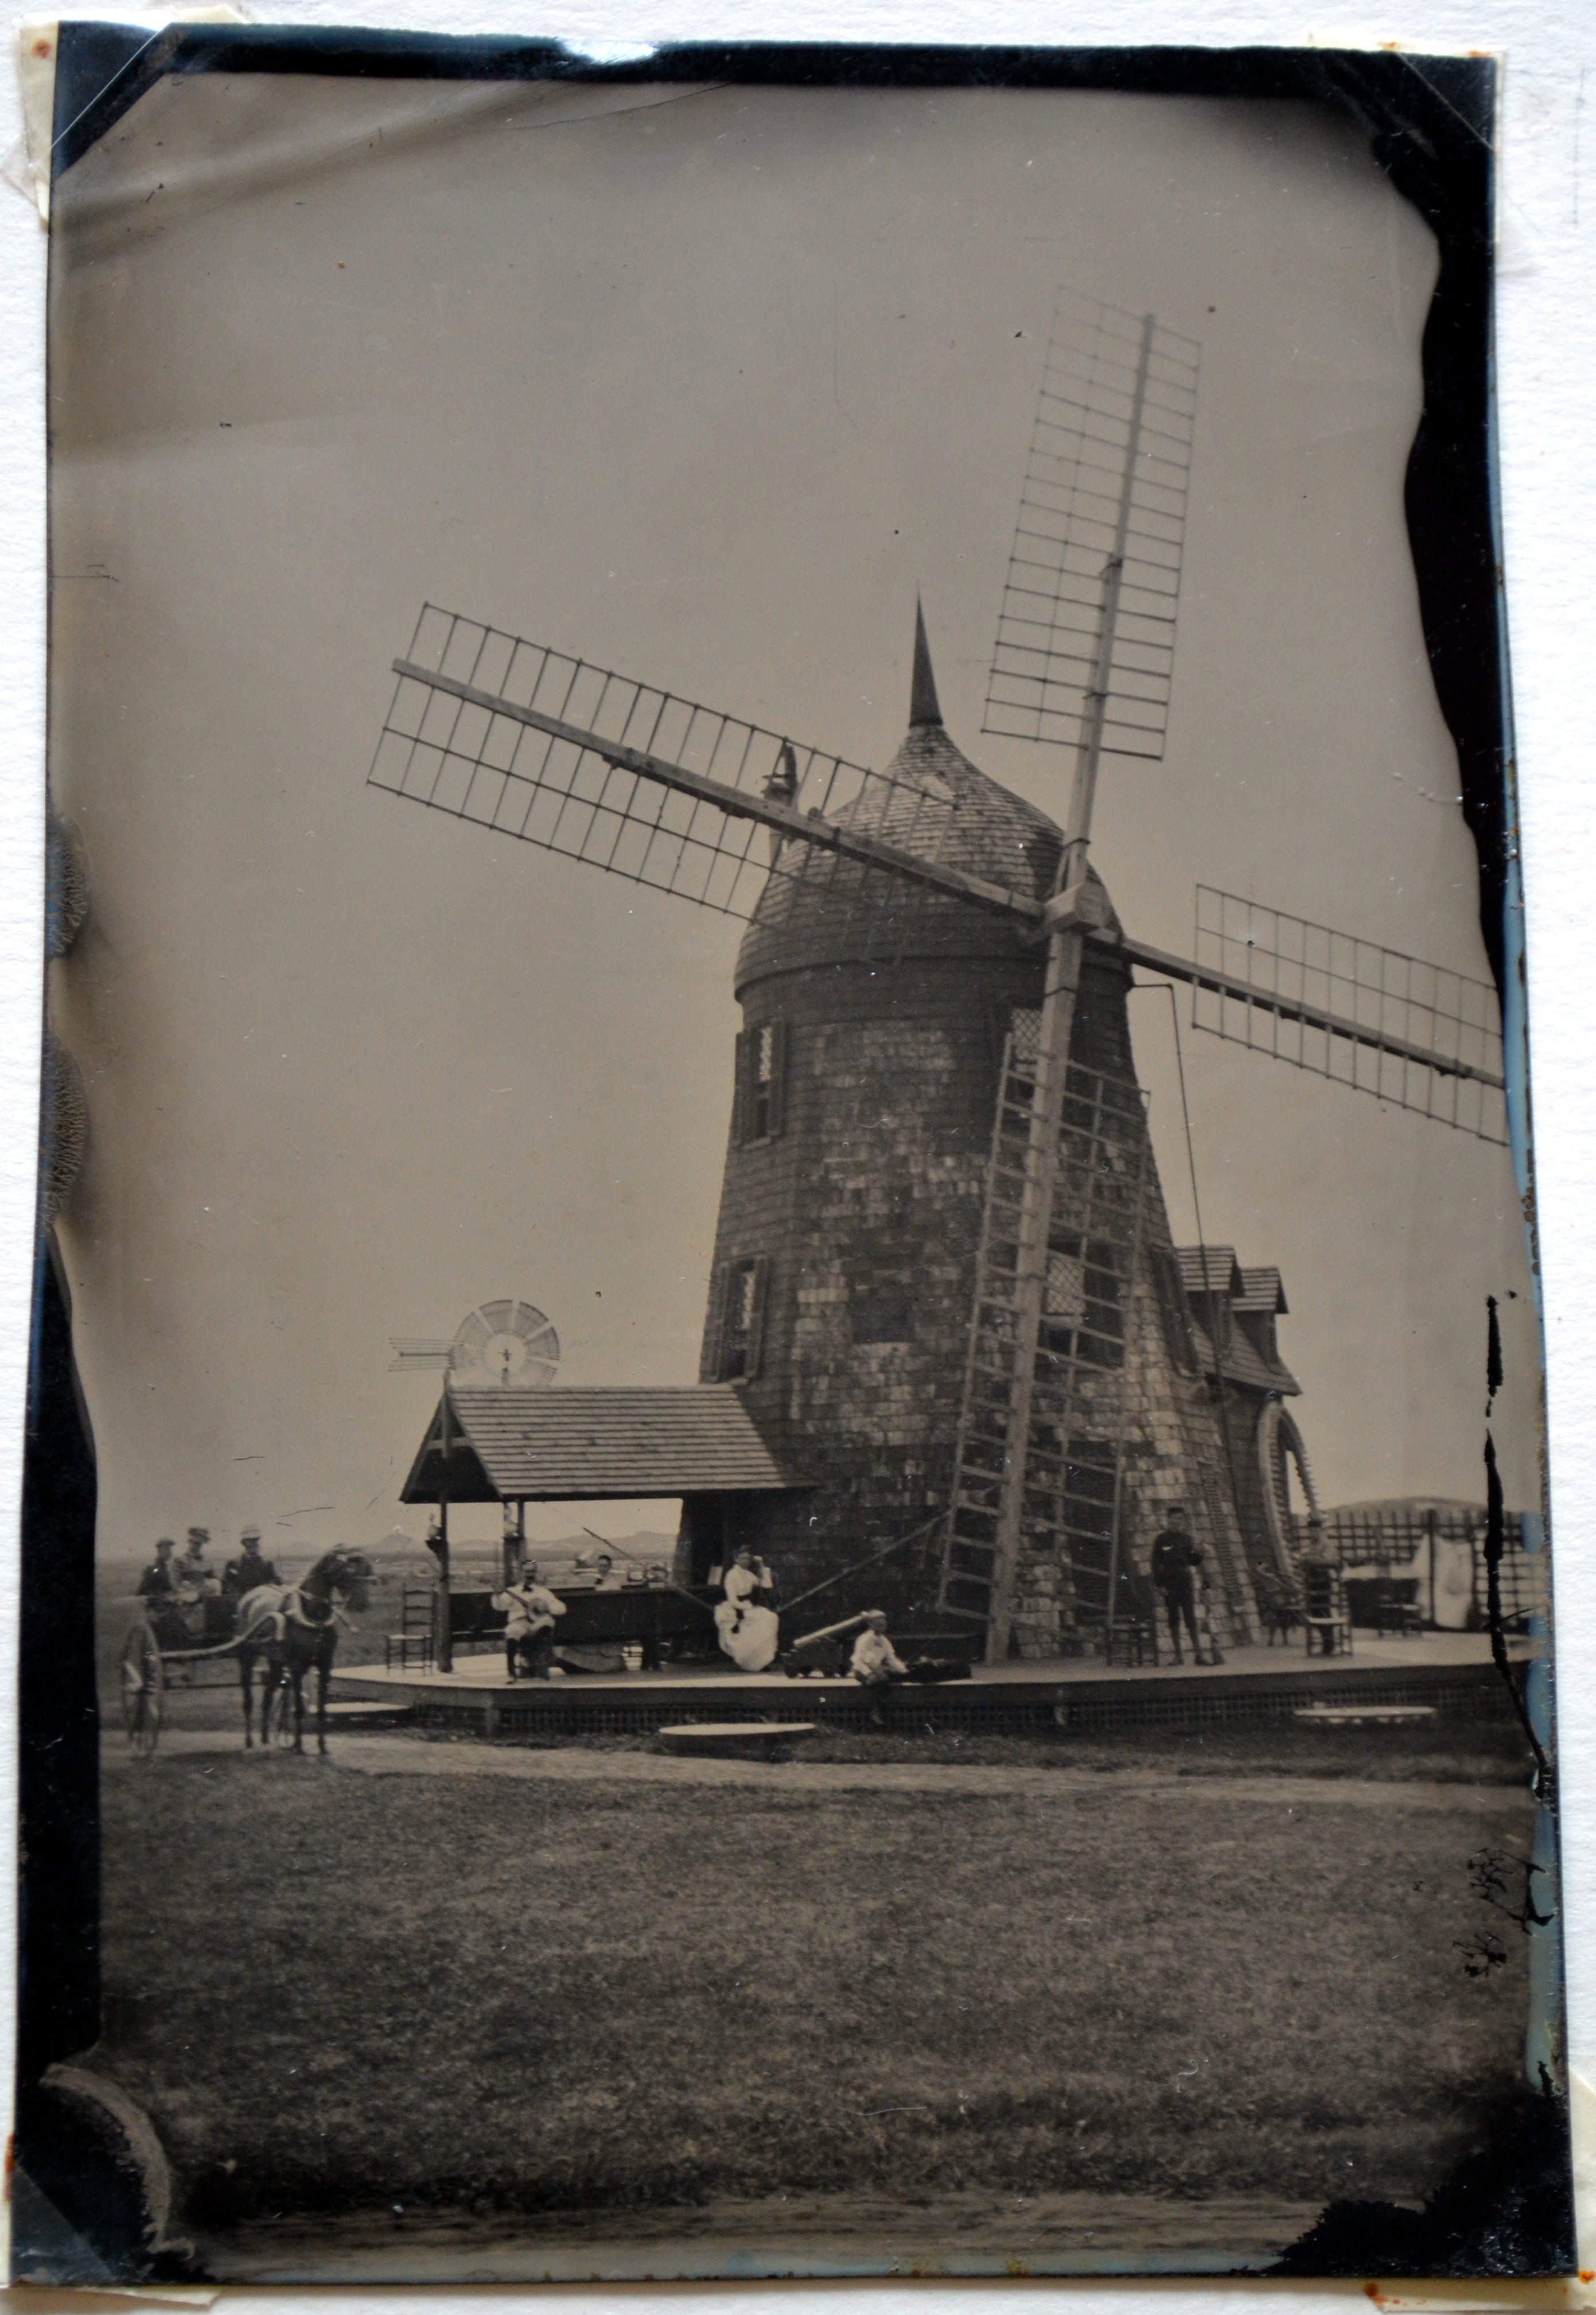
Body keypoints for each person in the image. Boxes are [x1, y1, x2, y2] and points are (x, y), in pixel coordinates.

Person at [1150, 1508, 1210, 1666]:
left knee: (1190, 1617)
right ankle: (1179, 1656)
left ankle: (1199, 1655)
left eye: (1180, 1519)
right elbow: (1156, 1564)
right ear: (1168, 1520)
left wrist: (1201, 1553)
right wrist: (1160, 1585)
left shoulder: (1187, 1539)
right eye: (1175, 1519)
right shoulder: (1161, 1539)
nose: (1178, 1522)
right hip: (1169, 1581)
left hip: (1185, 1580)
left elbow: (1194, 1561)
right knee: (1174, 1618)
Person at [493, 1561, 566, 1680]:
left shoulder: (543, 1592)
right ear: (521, 1573)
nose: (529, 1574)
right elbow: (500, 1606)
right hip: (520, 1622)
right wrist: (497, 1595)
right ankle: (511, 1673)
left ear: (536, 1573)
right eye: (527, 1571)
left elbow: (562, 1608)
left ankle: (534, 1662)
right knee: (512, 1630)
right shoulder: (514, 1591)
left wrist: (546, 1607)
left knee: (547, 1621)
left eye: (532, 1571)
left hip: (538, 1624)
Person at [850, 1610, 909, 1693]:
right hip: (862, 1671)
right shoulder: (864, 1639)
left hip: (877, 1670)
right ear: (871, 1624)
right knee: (879, 1680)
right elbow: (857, 1660)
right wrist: (869, 1674)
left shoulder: (885, 1641)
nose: (882, 1627)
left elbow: (891, 1660)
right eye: (878, 1625)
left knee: (894, 1676)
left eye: (883, 1625)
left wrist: (905, 1671)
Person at [223, 1524, 279, 1603]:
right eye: (249, 1541)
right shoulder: (233, 1564)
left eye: (255, 1540)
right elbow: (227, 1585)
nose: (253, 1544)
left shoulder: (267, 1564)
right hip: (240, 1603)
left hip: (261, 1603)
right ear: (243, 1543)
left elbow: (275, 1582)